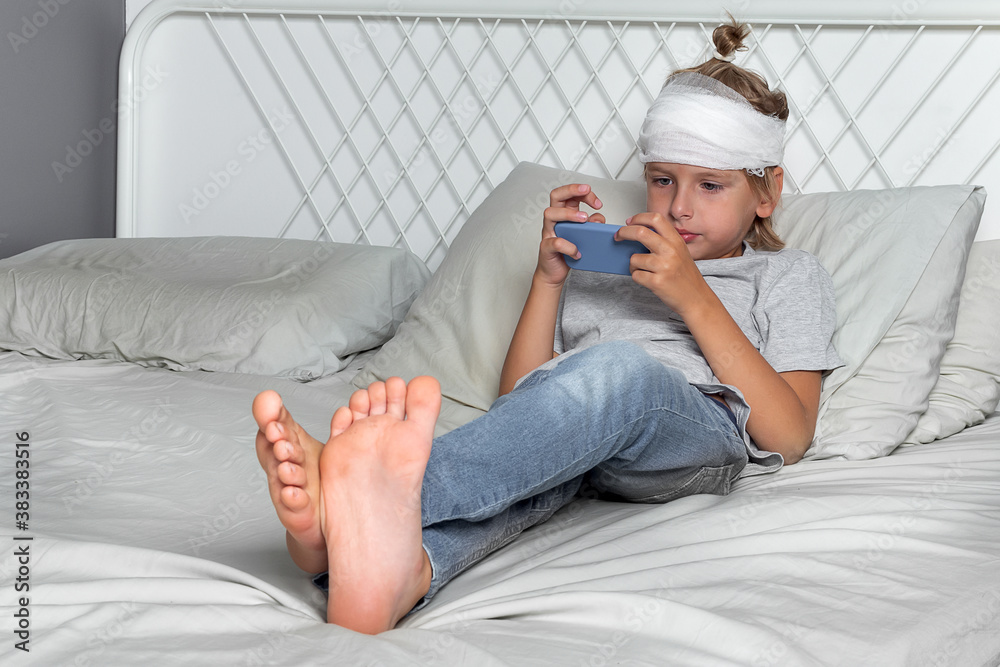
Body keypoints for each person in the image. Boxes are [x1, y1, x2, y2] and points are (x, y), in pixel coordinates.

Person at [251, 19, 843, 635]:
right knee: (532, 478)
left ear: (766, 192)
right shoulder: (608, 264)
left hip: (694, 441)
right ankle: (396, 571)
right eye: (662, 179)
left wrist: (695, 297)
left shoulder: (788, 276)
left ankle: (369, 495)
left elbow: (789, 435)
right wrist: (549, 279)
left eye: (711, 185)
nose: (679, 206)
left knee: (619, 369)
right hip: (591, 447)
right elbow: (524, 405)